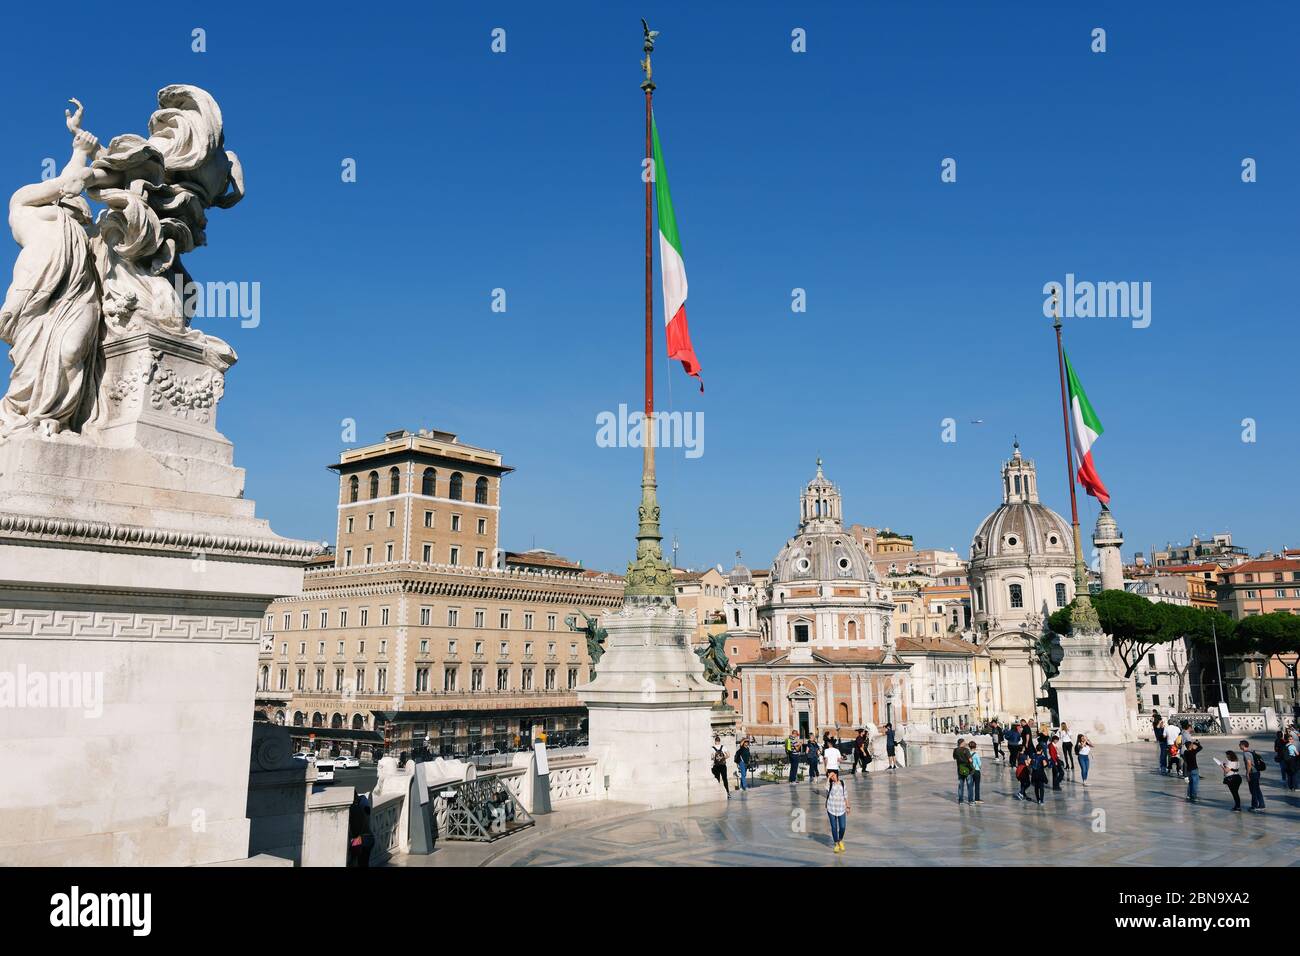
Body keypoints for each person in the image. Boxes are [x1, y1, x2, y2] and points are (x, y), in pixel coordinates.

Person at [347, 793, 375, 867]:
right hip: (369, 838)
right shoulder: (363, 801)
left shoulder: (354, 809)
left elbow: (356, 831)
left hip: (362, 840)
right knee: (364, 863)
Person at [825, 768, 849, 853]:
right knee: (834, 827)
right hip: (831, 808)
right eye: (831, 776)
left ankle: (840, 840)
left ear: (837, 774)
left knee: (842, 826)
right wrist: (828, 777)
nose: (832, 777)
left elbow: (845, 795)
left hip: (841, 808)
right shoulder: (830, 784)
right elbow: (825, 787)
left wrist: (848, 806)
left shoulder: (843, 783)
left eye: (833, 775)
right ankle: (836, 844)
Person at [1238, 739, 1266, 811]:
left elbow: (1249, 764)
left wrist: (1247, 773)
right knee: (1257, 789)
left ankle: (1254, 806)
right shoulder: (1251, 751)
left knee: (1253, 790)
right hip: (1256, 772)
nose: (1239, 746)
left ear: (1243, 745)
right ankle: (1262, 805)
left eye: (1240, 744)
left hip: (1252, 773)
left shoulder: (1246, 753)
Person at [953, 738, 973, 803]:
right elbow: (970, 760)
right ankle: (970, 801)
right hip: (967, 769)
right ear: (962, 743)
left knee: (961, 785)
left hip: (960, 769)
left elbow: (954, 758)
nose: (965, 743)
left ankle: (960, 800)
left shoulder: (955, 750)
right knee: (969, 785)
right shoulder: (966, 750)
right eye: (964, 742)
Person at [1183, 735, 1203, 802]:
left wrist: (1193, 744)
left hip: (1189, 770)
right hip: (1194, 769)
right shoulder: (1193, 752)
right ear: (1190, 746)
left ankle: (1189, 795)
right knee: (1195, 784)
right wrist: (1196, 743)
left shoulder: (1185, 753)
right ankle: (1193, 797)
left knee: (1190, 783)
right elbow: (1200, 747)